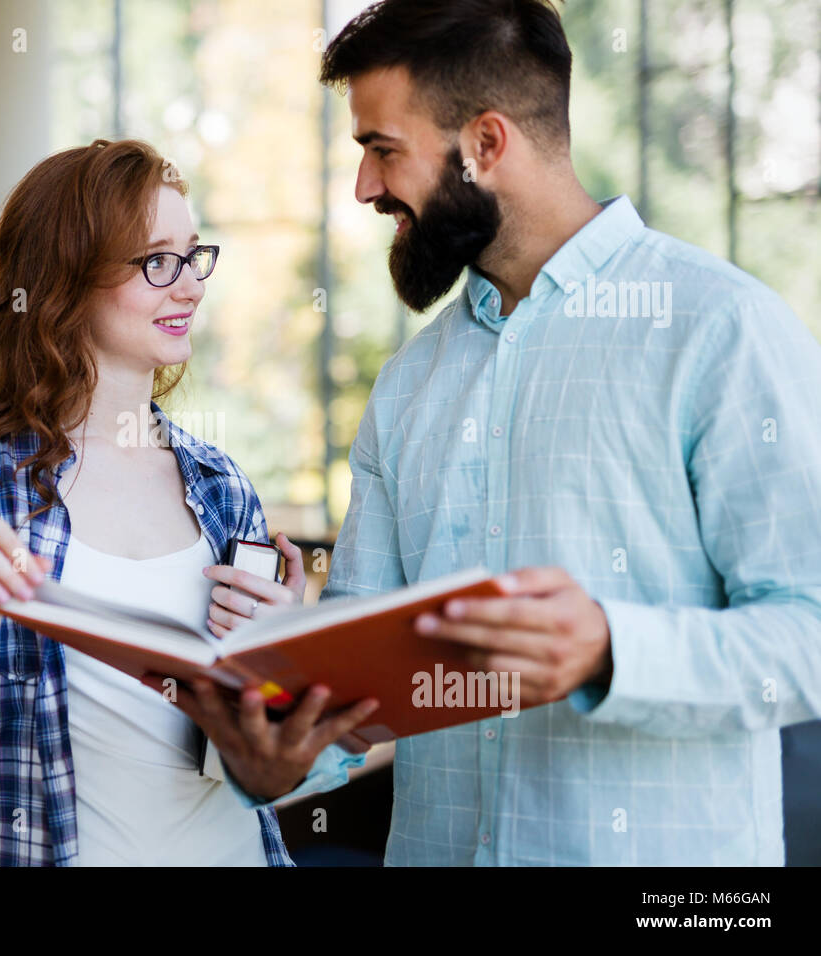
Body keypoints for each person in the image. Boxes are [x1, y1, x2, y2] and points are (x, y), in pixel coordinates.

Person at [199, 0, 821, 865]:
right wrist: (278, 758)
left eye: (382, 150)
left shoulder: (722, 330)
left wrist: (609, 649)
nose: (365, 189)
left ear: (486, 144)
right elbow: (360, 683)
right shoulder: (409, 382)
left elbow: (807, 635)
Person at [0, 139, 379, 866]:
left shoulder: (221, 486)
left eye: (193, 256)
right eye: (157, 262)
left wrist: (286, 656)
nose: (188, 287)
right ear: (68, 277)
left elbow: (262, 765)